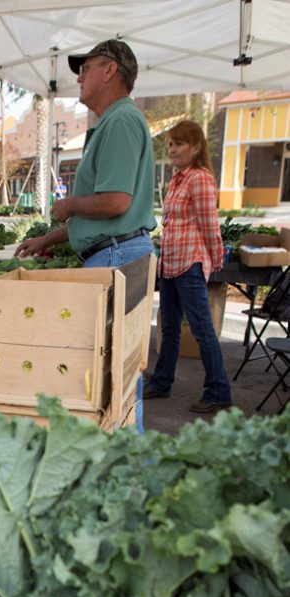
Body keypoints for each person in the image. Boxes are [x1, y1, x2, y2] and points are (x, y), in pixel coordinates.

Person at [15, 39, 155, 268]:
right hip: (115, 251)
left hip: (115, 255)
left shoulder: (121, 121)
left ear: (110, 70)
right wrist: (46, 240)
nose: (79, 78)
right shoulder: (114, 121)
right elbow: (98, 224)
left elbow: (116, 203)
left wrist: (70, 205)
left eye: (85, 69)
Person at [144, 121, 232, 413]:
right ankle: (161, 382)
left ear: (196, 147)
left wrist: (216, 257)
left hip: (190, 263)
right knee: (168, 327)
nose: (172, 149)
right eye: (170, 144)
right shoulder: (178, 179)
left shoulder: (199, 179)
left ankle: (219, 392)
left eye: (179, 144)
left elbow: (209, 224)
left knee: (202, 329)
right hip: (170, 264)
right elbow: (173, 220)